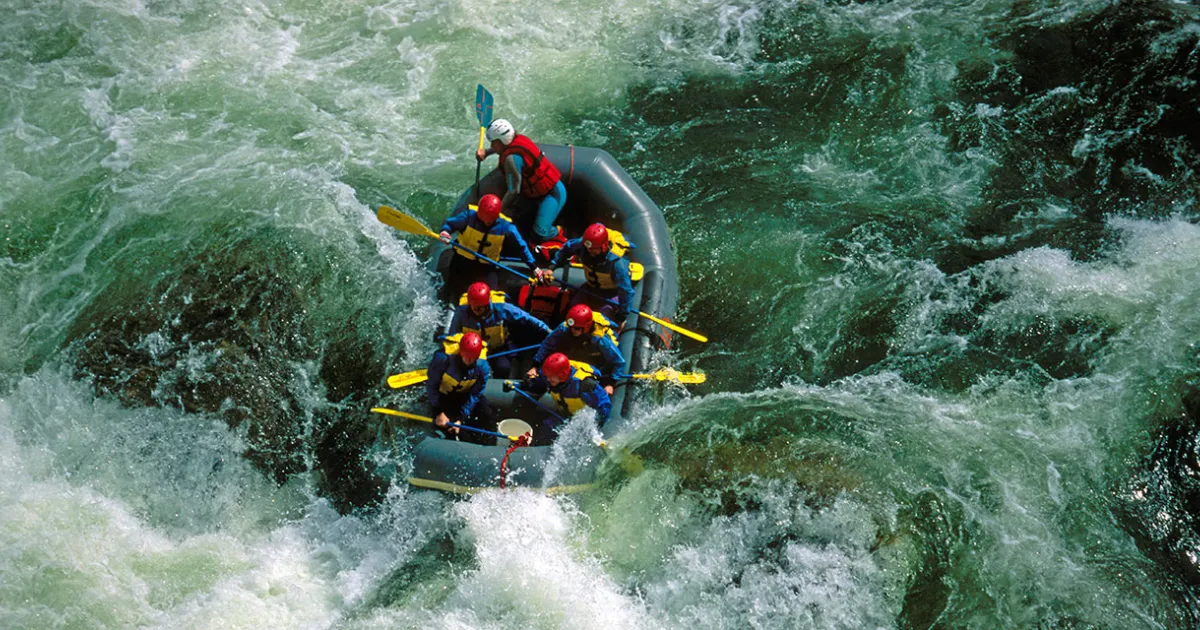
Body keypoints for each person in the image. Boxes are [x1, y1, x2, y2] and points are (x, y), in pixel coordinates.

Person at [474, 118, 567, 244]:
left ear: (503, 140)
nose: (491, 146)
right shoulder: (515, 140)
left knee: (539, 234)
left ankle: (558, 233)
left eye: (494, 143)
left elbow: (514, 191)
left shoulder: (511, 160)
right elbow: (503, 148)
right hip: (535, 194)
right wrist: (487, 152)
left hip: (552, 194)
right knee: (517, 217)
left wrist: (498, 210)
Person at [439, 193, 537, 299]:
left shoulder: (506, 227)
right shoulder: (468, 216)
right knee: (452, 290)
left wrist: (534, 267)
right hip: (462, 261)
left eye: (489, 221)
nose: (486, 223)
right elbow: (449, 224)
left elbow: (521, 247)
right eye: (482, 219)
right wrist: (445, 232)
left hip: (487, 266)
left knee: (492, 295)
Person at [536, 222, 634, 327]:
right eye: (588, 248)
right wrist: (552, 267)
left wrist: (621, 317)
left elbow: (626, 291)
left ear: (604, 247)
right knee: (571, 312)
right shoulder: (583, 245)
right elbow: (566, 249)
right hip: (589, 288)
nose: (589, 252)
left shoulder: (617, 264)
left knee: (602, 321)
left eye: (593, 250)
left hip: (610, 295)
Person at [448, 281, 552, 377]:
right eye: (472, 307)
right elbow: (452, 335)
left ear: (486, 305)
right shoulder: (461, 311)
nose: (474, 310)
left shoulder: (501, 307)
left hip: (497, 348)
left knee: (503, 368)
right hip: (473, 350)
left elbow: (525, 317)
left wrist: (547, 330)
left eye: (478, 308)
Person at [528, 303, 625, 395]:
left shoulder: (600, 339)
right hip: (579, 350)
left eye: (577, 328)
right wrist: (535, 365)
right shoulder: (565, 327)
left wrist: (610, 383)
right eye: (571, 327)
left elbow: (619, 362)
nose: (572, 330)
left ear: (586, 327)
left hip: (597, 359)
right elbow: (547, 344)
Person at [517, 352, 611, 445]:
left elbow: (603, 405)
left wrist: (596, 428)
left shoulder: (584, 384)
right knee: (547, 427)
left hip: (581, 421)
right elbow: (539, 383)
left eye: (551, 377)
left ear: (562, 375)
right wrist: (523, 385)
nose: (548, 379)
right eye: (547, 376)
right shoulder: (550, 374)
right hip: (564, 416)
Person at [426, 332, 495, 445]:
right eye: (466, 356)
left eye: (473, 358)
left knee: (486, 410)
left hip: (463, 395)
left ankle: (489, 441)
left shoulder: (483, 367)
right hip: (443, 396)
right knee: (447, 428)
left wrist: (461, 418)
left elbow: (475, 394)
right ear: (460, 352)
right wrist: (439, 412)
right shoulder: (443, 359)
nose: (469, 360)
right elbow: (431, 385)